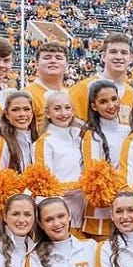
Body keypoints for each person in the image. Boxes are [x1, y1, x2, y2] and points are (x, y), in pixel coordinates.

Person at [80, 79, 131, 237]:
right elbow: (93, 176)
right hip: (100, 212)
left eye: (114, 99)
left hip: (128, 207)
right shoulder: (92, 135)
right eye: (103, 101)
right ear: (94, 106)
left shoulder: (128, 130)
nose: (111, 105)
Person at [33, 90, 85, 228]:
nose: (63, 113)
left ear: (73, 111)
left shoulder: (78, 139)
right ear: (47, 113)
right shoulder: (44, 142)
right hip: (59, 217)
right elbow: (45, 185)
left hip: (82, 213)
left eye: (67, 108)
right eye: (57, 109)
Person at [70, 32, 133, 123]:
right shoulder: (83, 88)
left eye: (124, 53)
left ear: (130, 58)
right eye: (113, 52)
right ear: (103, 57)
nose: (118, 57)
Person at [0, 90, 39, 175]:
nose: (22, 114)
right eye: (15, 110)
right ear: (7, 115)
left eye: (26, 109)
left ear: (32, 113)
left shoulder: (37, 141)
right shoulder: (1, 145)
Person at [27, 41, 70, 127]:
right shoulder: (27, 95)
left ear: (67, 65)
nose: (53, 61)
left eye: (58, 58)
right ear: (36, 64)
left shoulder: (72, 94)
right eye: (47, 58)